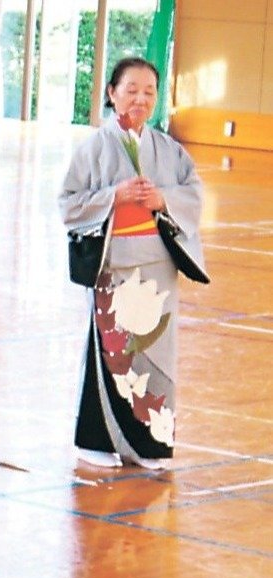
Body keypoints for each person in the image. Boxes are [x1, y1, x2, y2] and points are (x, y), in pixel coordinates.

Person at [59, 57, 204, 470]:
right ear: (111, 94)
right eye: (131, 90)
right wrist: (114, 197)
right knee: (112, 353)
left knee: (156, 355)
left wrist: (163, 200)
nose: (140, 99)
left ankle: (151, 446)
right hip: (115, 263)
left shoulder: (169, 150)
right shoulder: (92, 149)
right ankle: (96, 441)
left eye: (149, 92)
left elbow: (193, 193)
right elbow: (68, 204)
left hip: (157, 266)